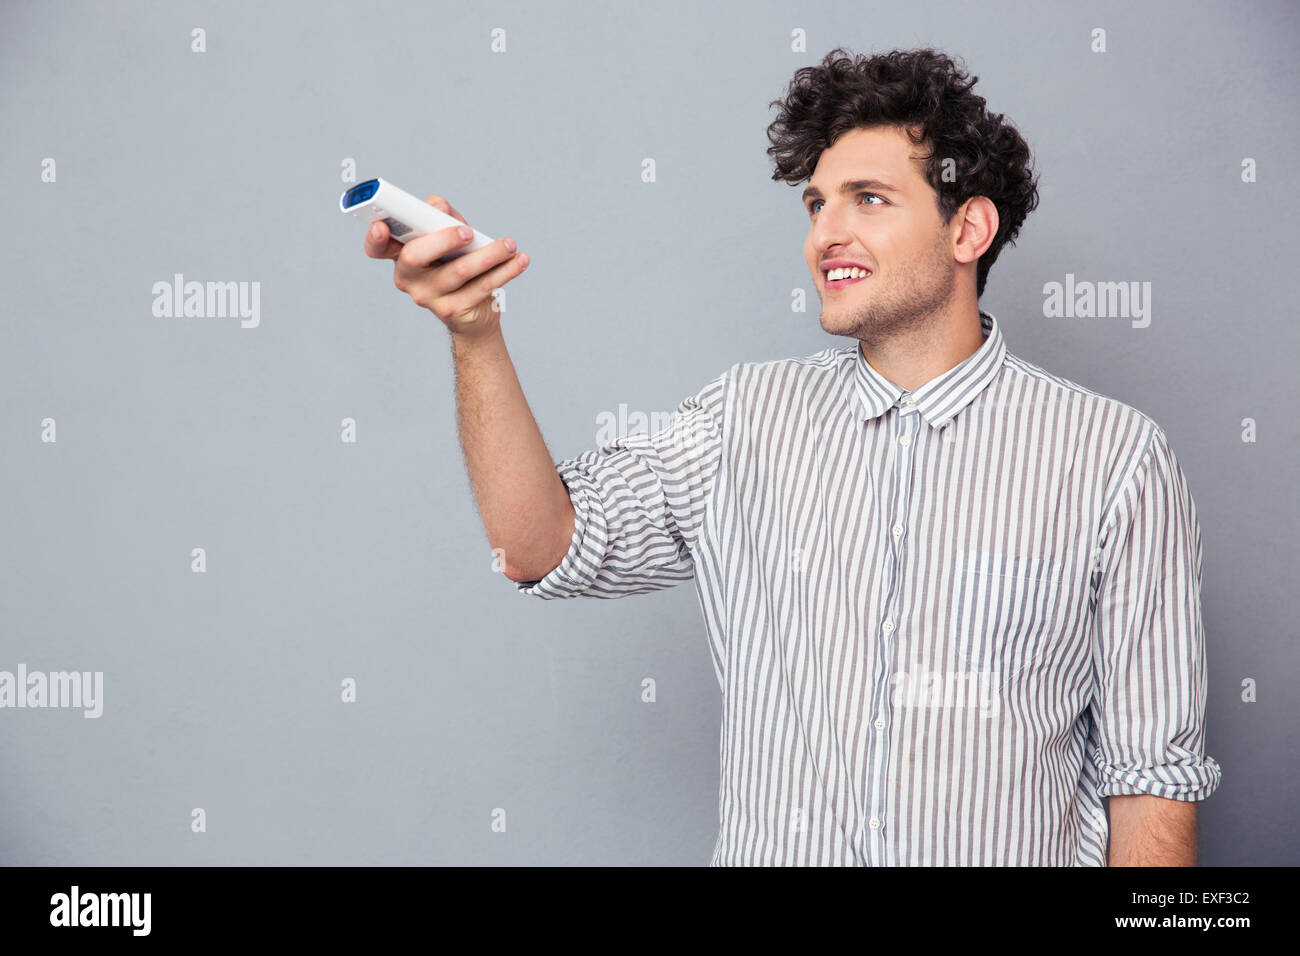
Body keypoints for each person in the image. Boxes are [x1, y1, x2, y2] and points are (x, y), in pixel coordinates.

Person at [362, 46, 1220, 866]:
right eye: (816, 205)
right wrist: (473, 331)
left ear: (969, 229)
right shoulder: (742, 419)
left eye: (868, 199)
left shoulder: (1115, 459)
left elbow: (1152, 778)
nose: (825, 234)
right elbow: (539, 545)